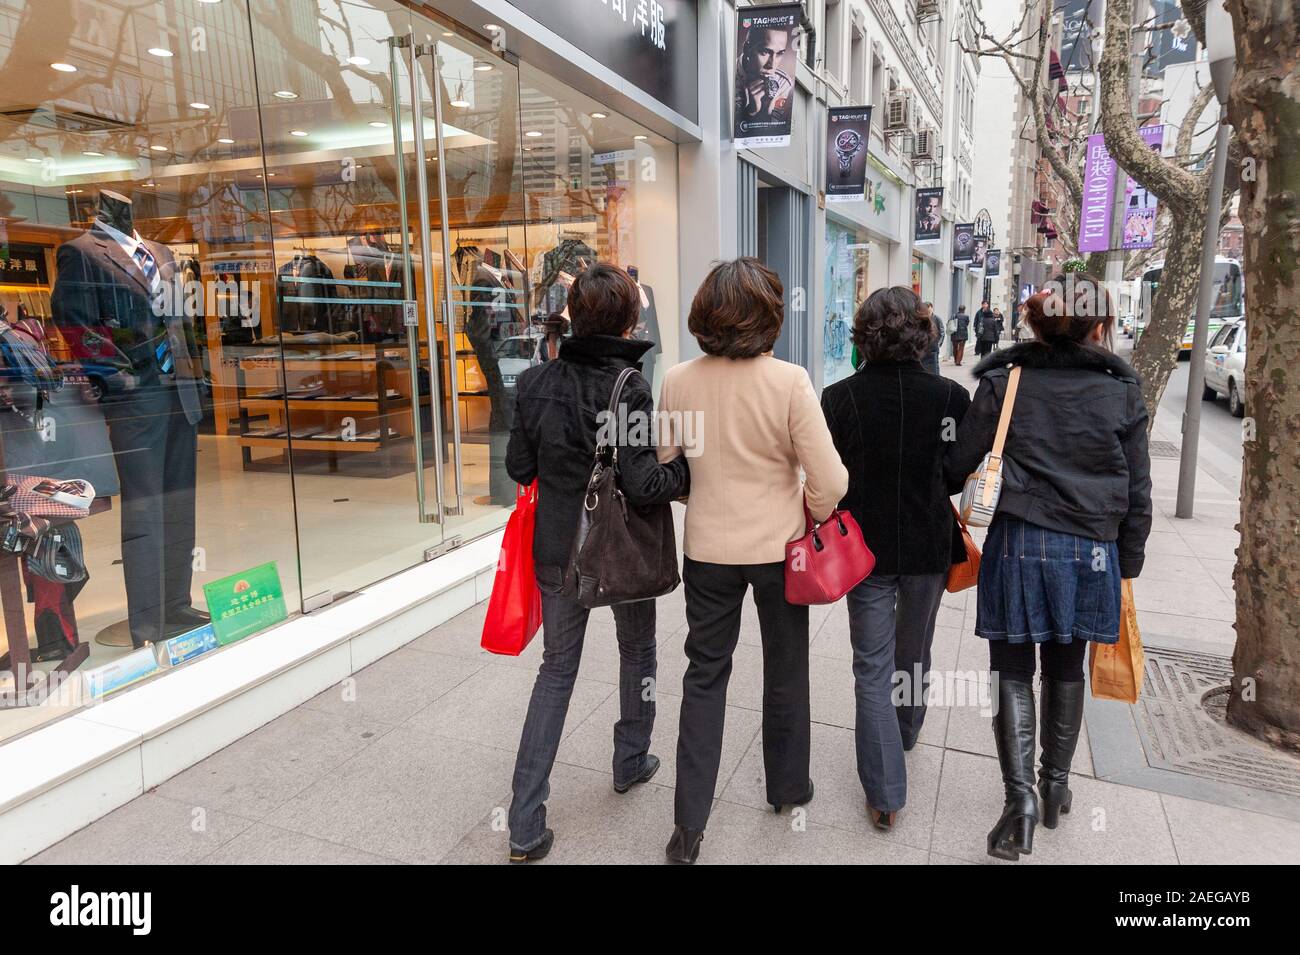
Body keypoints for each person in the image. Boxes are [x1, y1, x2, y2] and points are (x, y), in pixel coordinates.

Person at [944, 273, 1152, 862]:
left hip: (1017, 543)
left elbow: (958, 463)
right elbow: (1139, 490)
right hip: (1091, 551)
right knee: (1066, 664)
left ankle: (1021, 803)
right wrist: (1128, 561)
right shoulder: (1122, 392)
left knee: (1010, 666)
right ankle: (1057, 785)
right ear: (1098, 325)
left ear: (1035, 323)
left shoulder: (1005, 382)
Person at [657, 258, 848, 864]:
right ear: (769, 317)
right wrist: (810, 510)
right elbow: (831, 480)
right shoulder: (790, 382)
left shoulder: (678, 379)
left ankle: (688, 827)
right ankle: (788, 786)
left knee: (704, 676)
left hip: (709, 549)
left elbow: (670, 469)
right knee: (786, 668)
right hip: (778, 551)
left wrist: (703, 493)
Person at [504, 263, 690, 864]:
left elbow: (519, 469)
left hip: (558, 551)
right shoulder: (627, 386)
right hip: (618, 551)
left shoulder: (533, 381)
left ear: (574, 314)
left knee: (555, 672)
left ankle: (525, 824)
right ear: (628, 319)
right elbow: (641, 482)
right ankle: (630, 761)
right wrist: (684, 470)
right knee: (638, 652)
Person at [822, 288, 972, 830]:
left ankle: (885, 793)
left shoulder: (838, 399)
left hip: (863, 548)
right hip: (929, 544)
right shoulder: (953, 398)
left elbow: (831, 476)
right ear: (922, 336)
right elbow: (958, 473)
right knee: (916, 647)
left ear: (863, 337)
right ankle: (905, 729)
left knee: (871, 663)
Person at [921, 300, 944, 374]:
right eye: (926, 307)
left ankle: (937, 377)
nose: (928, 309)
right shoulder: (923, 318)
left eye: (929, 307)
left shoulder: (937, 318)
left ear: (932, 308)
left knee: (935, 364)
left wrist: (939, 343)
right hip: (926, 345)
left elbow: (942, 332)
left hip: (934, 345)